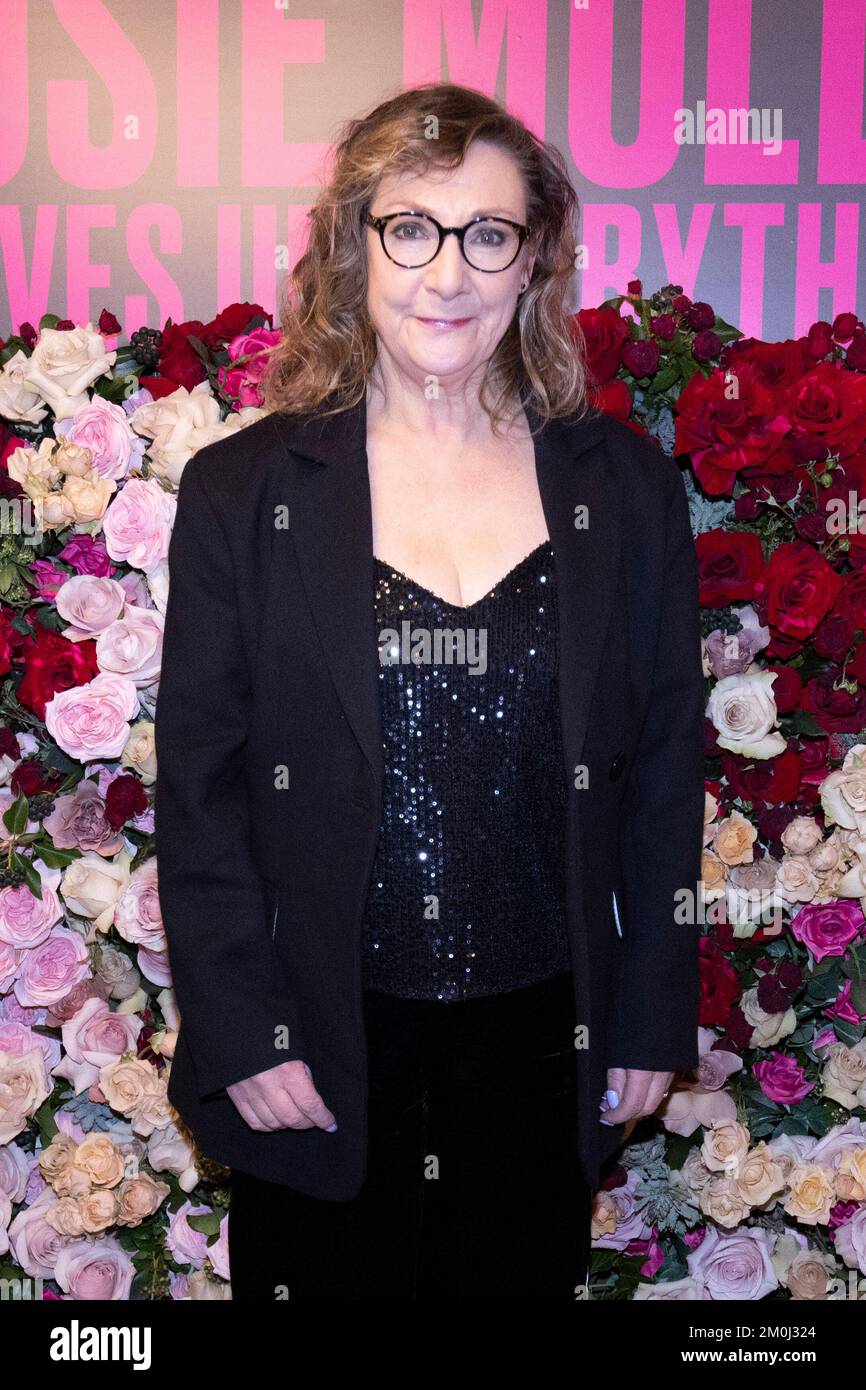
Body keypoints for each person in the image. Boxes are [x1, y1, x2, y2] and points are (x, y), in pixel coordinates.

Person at [154, 81, 706, 1301]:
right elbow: (201, 789)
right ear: (354, 247)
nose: (445, 275)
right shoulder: (246, 494)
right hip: (320, 1050)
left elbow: (668, 763)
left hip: (542, 1044)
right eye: (410, 227)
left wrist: (650, 1013)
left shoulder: (620, 488)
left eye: (487, 234)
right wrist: (244, 1025)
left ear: (533, 262)